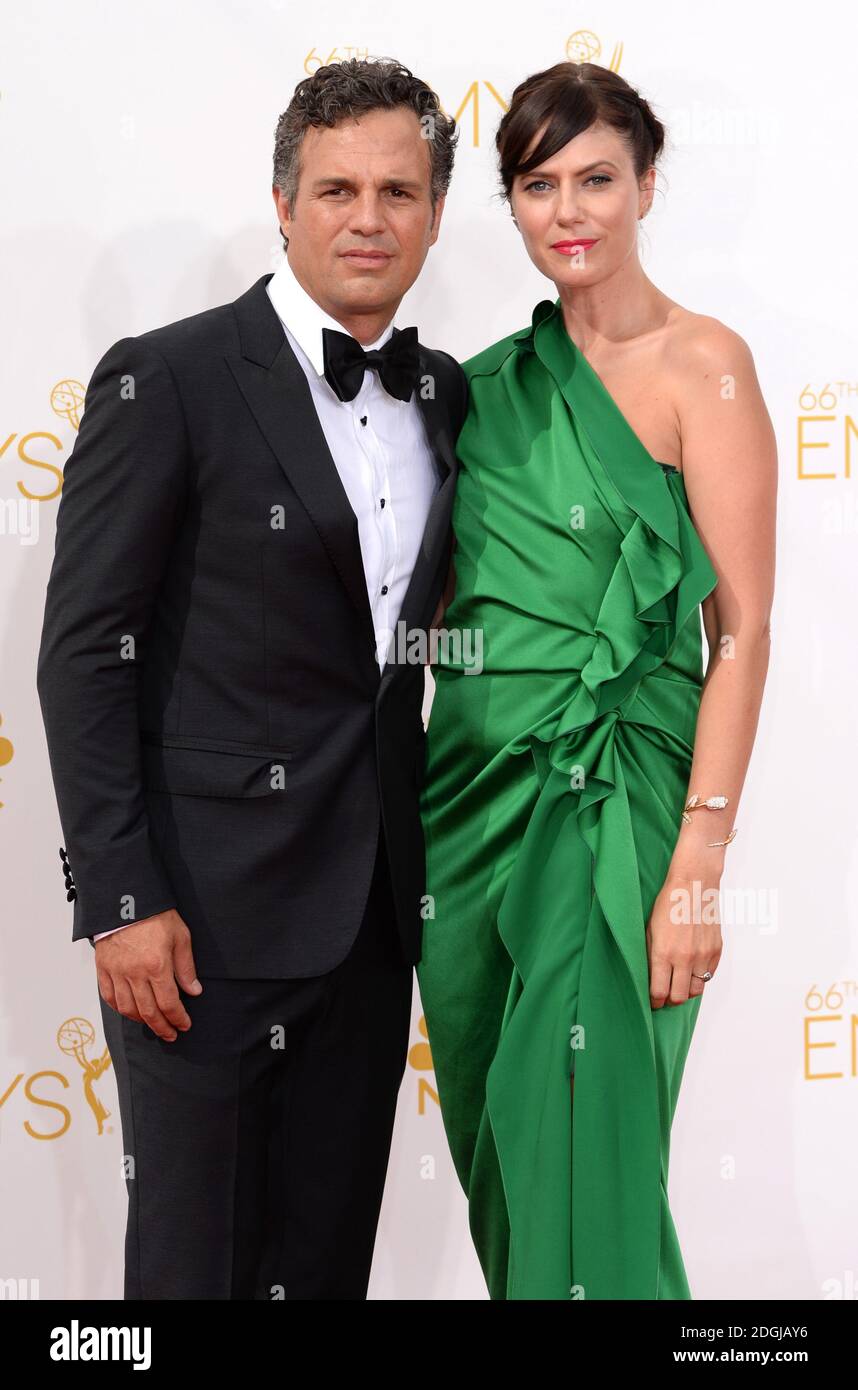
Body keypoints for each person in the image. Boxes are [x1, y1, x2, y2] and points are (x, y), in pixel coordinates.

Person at [36, 56, 464, 1300]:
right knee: (191, 1271)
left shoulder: (446, 395)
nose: (368, 219)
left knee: (324, 1263)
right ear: (283, 204)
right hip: (197, 927)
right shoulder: (165, 378)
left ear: (435, 211)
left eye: (398, 190)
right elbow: (82, 651)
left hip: (375, 920)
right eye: (337, 189)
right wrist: (119, 898)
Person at [418, 60, 777, 1300]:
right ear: (510, 204)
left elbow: (741, 629)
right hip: (464, 818)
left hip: (617, 810)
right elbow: (442, 619)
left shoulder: (705, 367)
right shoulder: (478, 392)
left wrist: (700, 860)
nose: (567, 210)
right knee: (508, 1160)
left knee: (592, 1150)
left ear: (646, 186)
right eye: (536, 184)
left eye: (596, 179)